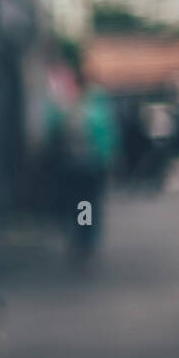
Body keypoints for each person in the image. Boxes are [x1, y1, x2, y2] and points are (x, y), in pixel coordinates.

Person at [44, 49, 119, 259]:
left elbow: (53, 132)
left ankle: (82, 237)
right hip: (88, 167)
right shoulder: (95, 107)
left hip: (74, 167)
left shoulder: (66, 109)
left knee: (80, 203)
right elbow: (106, 138)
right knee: (87, 203)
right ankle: (84, 238)